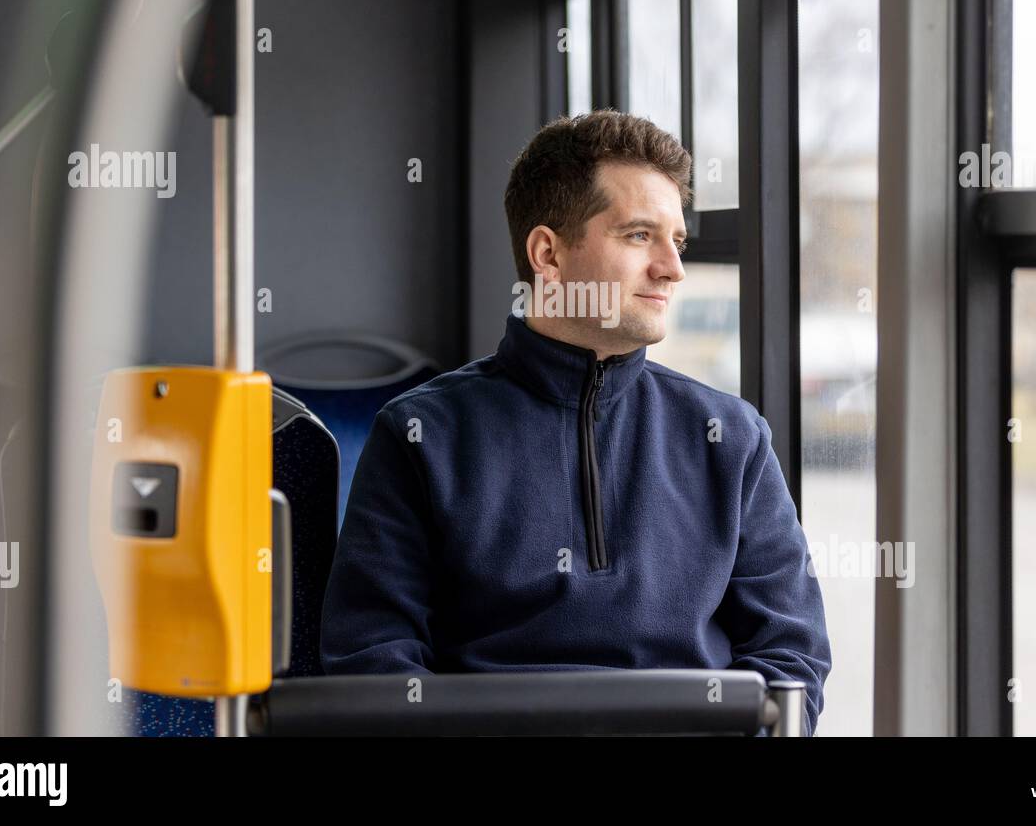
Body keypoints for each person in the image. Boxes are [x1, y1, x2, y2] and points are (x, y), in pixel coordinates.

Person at [320, 109, 832, 734]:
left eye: (678, 240)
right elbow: (371, 661)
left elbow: (792, 661)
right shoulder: (421, 435)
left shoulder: (731, 438)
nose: (672, 268)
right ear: (548, 254)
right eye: (640, 236)